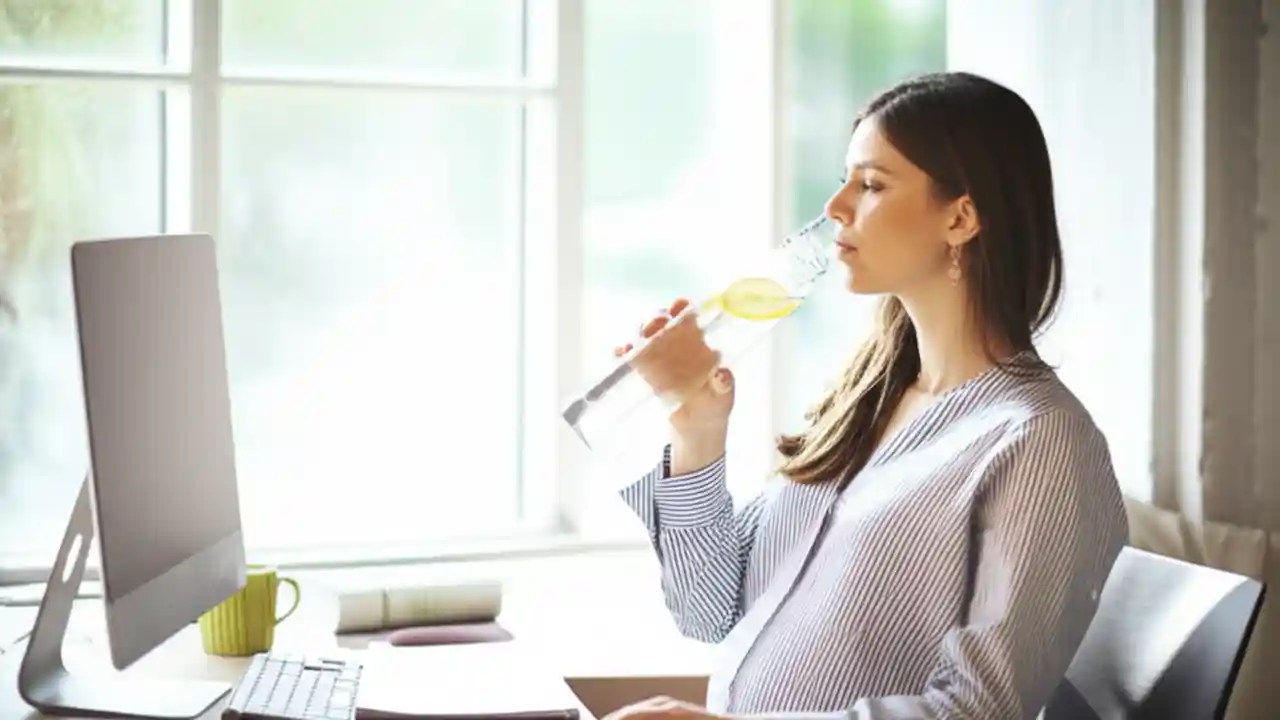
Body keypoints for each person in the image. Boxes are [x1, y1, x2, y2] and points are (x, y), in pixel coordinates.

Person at [603, 72, 1128, 719]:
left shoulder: (1039, 442)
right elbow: (709, 611)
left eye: (872, 184)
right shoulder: (866, 400)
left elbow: (981, 710)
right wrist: (696, 428)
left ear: (960, 216)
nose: (835, 208)